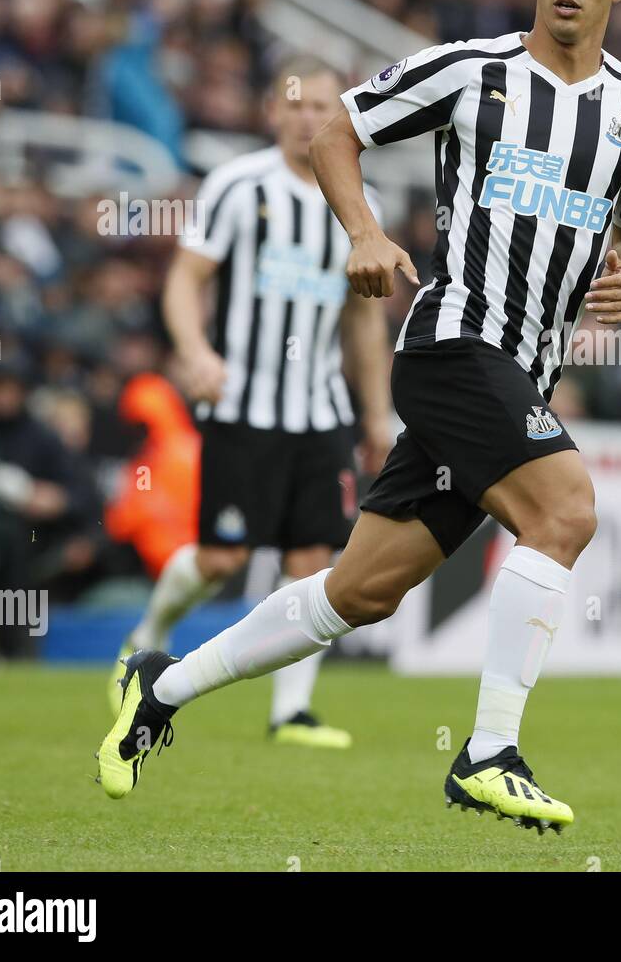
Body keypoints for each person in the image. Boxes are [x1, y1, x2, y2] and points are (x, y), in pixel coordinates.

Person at [97, 0, 621, 833]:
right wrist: (364, 234)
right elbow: (338, 131)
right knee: (567, 512)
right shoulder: (469, 71)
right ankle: (490, 750)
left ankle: (161, 688)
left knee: (357, 591)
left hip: (523, 372)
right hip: (453, 342)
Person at [105, 57, 392, 748]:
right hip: (244, 405)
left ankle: (290, 711)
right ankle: (146, 640)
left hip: (321, 411)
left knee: (313, 561)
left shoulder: (361, 201)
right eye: (293, 103)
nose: (305, 116)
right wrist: (194, 351)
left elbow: (363, 318)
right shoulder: (238, 186)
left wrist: (377, 411)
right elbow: (186, 278)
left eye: (320, 104)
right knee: (221, 560)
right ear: (271, 111)